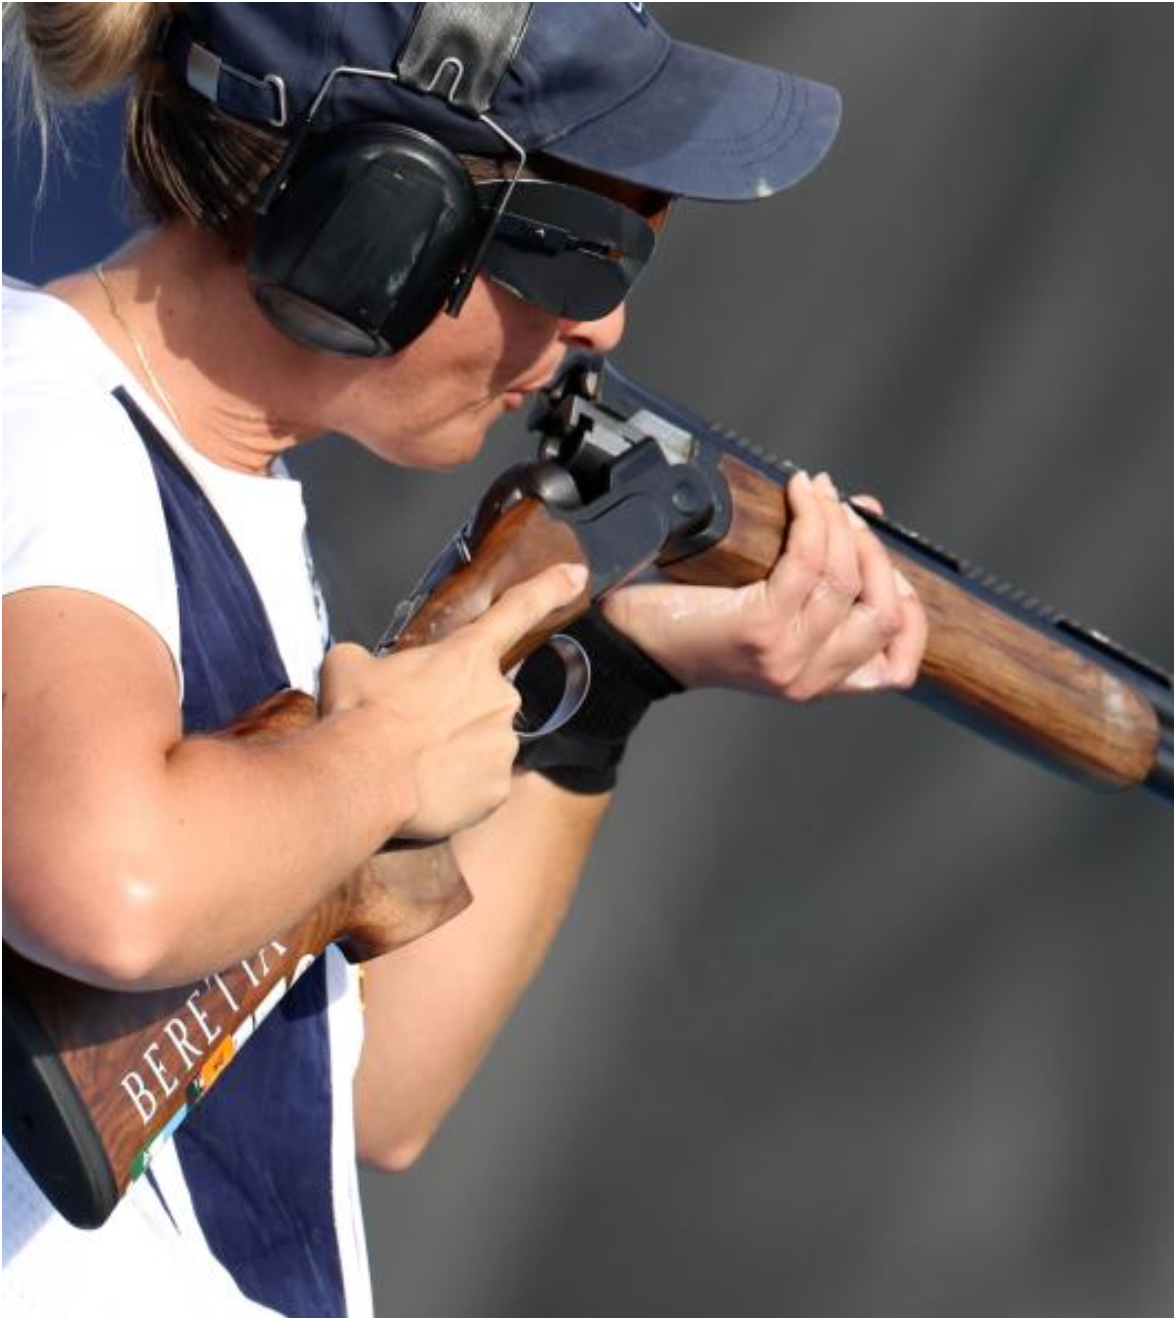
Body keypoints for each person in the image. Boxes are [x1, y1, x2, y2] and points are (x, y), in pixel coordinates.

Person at [0, 4, 925, 1316]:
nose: (601, 328)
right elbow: (116, 889)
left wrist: (604, 680)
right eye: (583, 248)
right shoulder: (40, 420)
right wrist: (380, 759)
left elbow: (372, 1100)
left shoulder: (220, 492)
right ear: (381, 219)